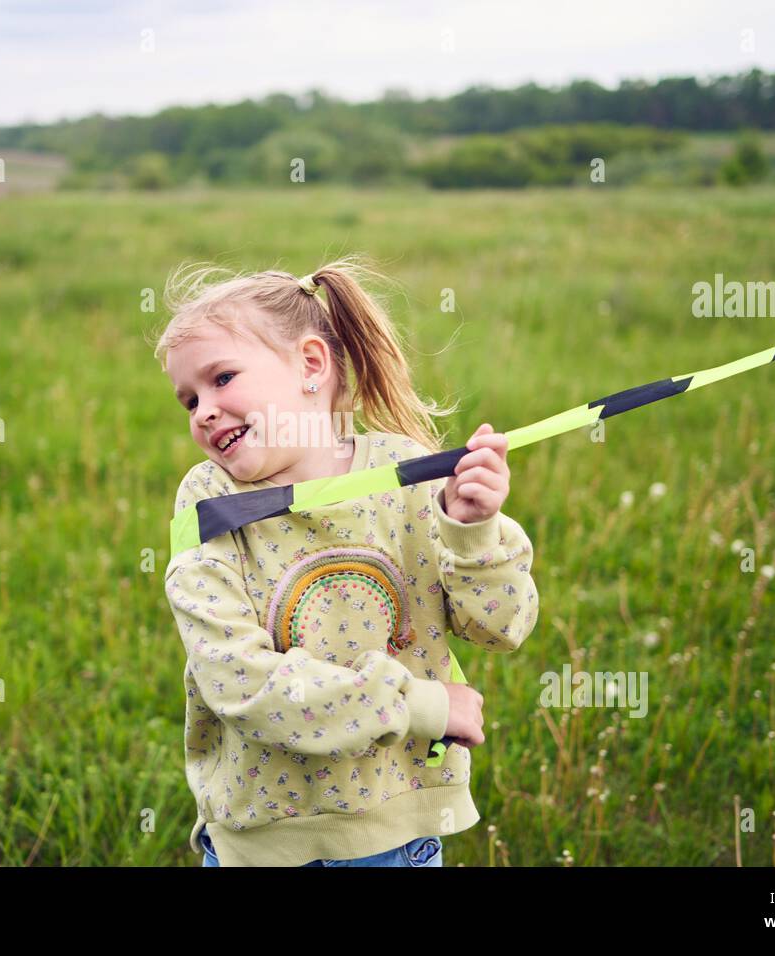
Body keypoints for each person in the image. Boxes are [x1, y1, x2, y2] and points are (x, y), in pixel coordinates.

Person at [152, 255, 539, 867]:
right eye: (188, 399)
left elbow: (500, 625)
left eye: (221, 378)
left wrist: (474, 533)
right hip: (263, 841)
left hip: (395, 834)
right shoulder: (208, 503)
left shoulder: (404, 474)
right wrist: (420, 705)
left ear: (311, 364)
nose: (203, 410)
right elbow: (240, 684)